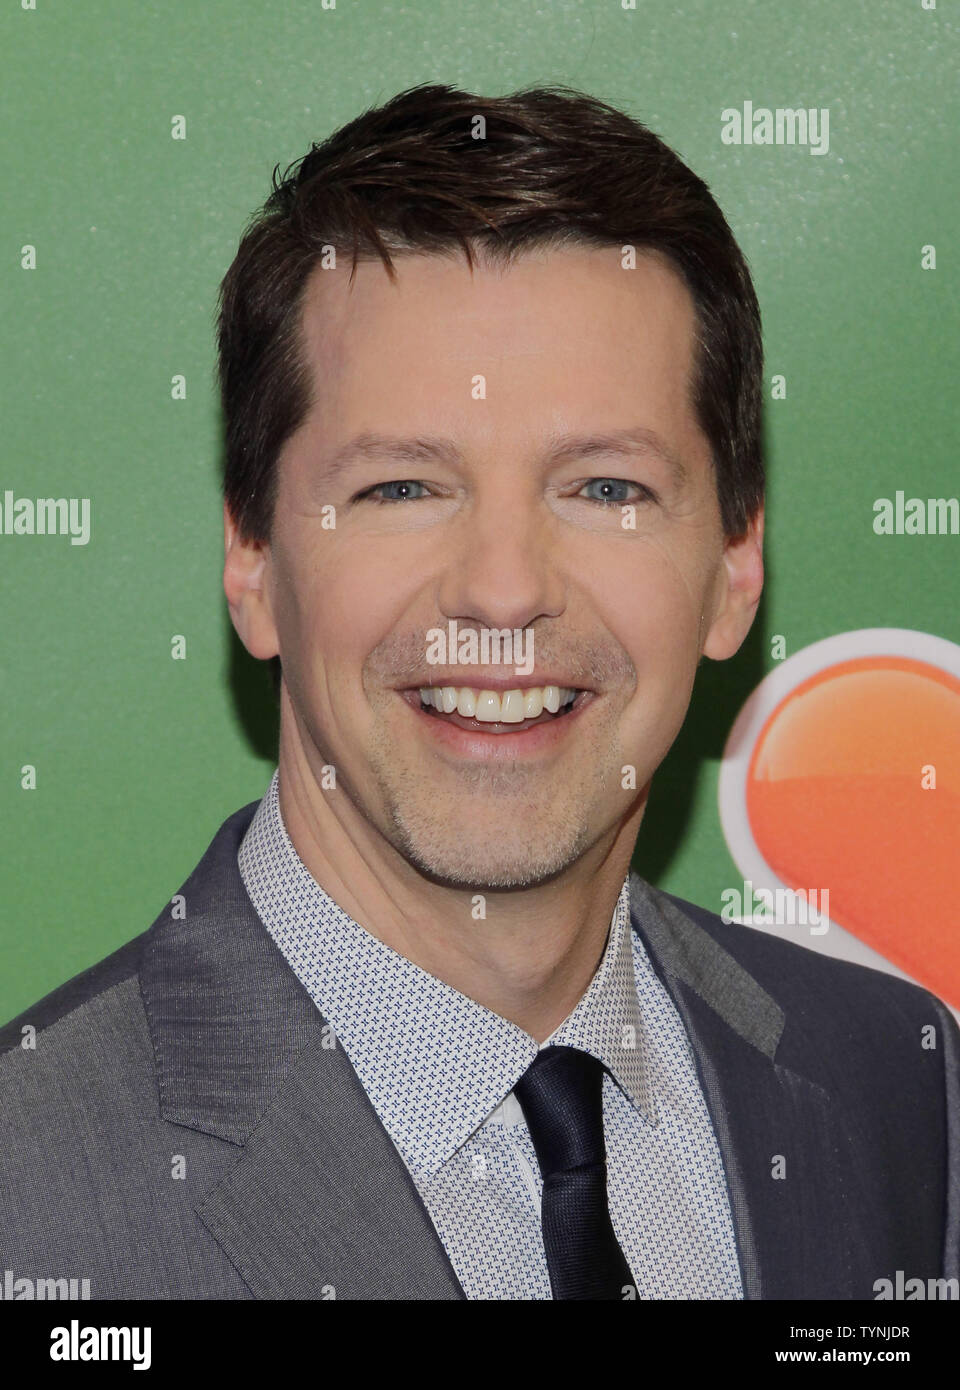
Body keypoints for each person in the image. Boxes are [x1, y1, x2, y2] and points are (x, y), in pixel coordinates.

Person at [1, 83, 956, 1302]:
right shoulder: (26, 1192)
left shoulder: (901, 1089)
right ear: (252, 560)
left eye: (606, 488)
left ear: (733, 568)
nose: (505, 594)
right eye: (404, 487)